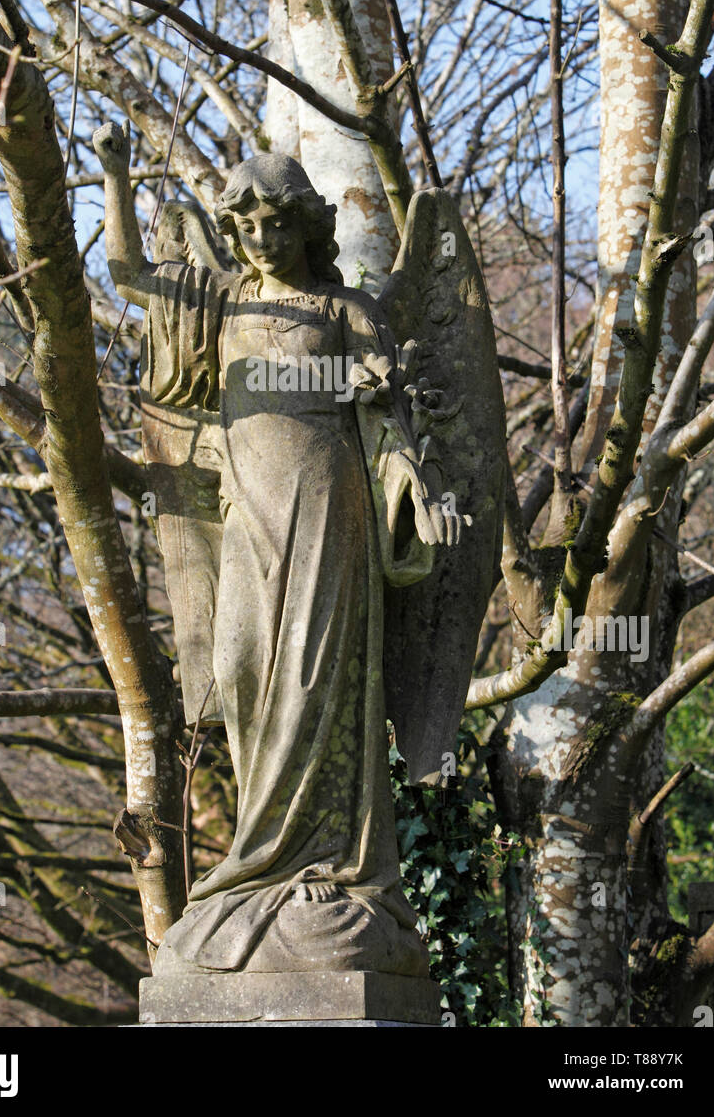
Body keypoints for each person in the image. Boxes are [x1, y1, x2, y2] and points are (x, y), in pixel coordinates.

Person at [95, 125, 459, 976]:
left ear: (308, 227)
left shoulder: (346, 312)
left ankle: (328, 866)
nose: (262, 239)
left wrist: (419, 494)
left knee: (320, 683)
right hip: (245, 521)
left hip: (330, 516)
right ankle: (255, 865)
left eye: (277, 224)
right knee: (248, 669)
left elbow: (387, 425)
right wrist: (116, 175)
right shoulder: (222, 304)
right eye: (247, 227)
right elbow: (128, 276)